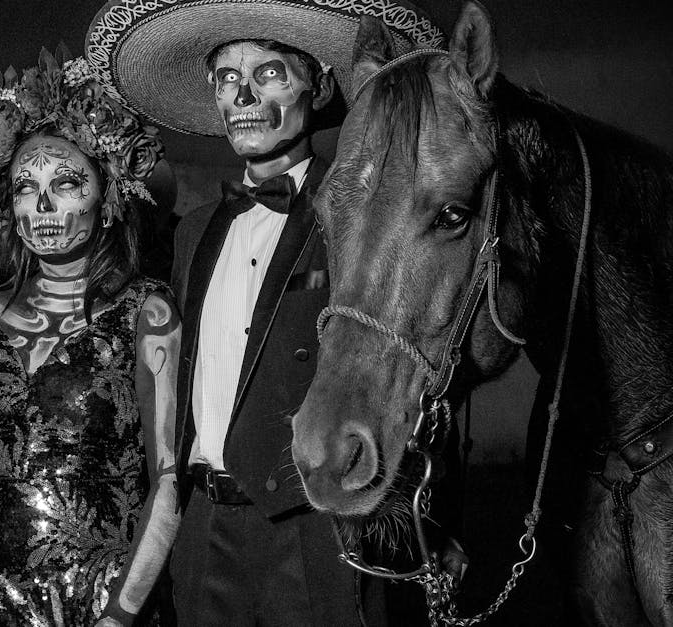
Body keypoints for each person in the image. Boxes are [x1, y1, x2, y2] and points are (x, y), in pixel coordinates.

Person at [86, 1, 463, 624]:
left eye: (268, 75)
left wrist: (432, 516)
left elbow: (419, 353)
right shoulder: (197, 230)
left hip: (312, 535)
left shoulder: (357, 218)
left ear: (315, 82)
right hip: (203, 534)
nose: (244, 96)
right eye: (228, 79)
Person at [0, 47, 181, 627]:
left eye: (65, 183)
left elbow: (168, 481)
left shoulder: (148, 314)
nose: (41, 205)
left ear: (109, 196)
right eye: (24, 186)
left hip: (98, 604)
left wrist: (119, 614)